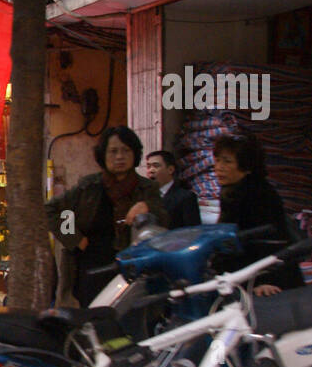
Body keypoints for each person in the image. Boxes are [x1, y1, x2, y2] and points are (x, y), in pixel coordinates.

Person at [46, 126, 168, 307]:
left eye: (126, 150)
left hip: (131, 269)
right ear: (103, 155)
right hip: (89, 269)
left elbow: (164, 220)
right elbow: (55, 209)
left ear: (135, 154)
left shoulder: (147, 189)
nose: (120, 157)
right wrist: (74, 238)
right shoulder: (88, 187)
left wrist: (147, 207)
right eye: (113, 151)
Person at [212, 134, 303, 295]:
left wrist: (264, 280)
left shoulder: (259, 194)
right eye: (217, 160)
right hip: (244, 276)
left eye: (227, 161)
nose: (219, 167)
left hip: (270, 281)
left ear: (246, 167)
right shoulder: (233, 192)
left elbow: (269, 241)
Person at [145, 149, 201, 229]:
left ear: (170, 169)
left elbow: (192, 231)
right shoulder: (144, 195)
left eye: (156, 166)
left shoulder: (186, 197)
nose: (151, 170)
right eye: (148, 166)